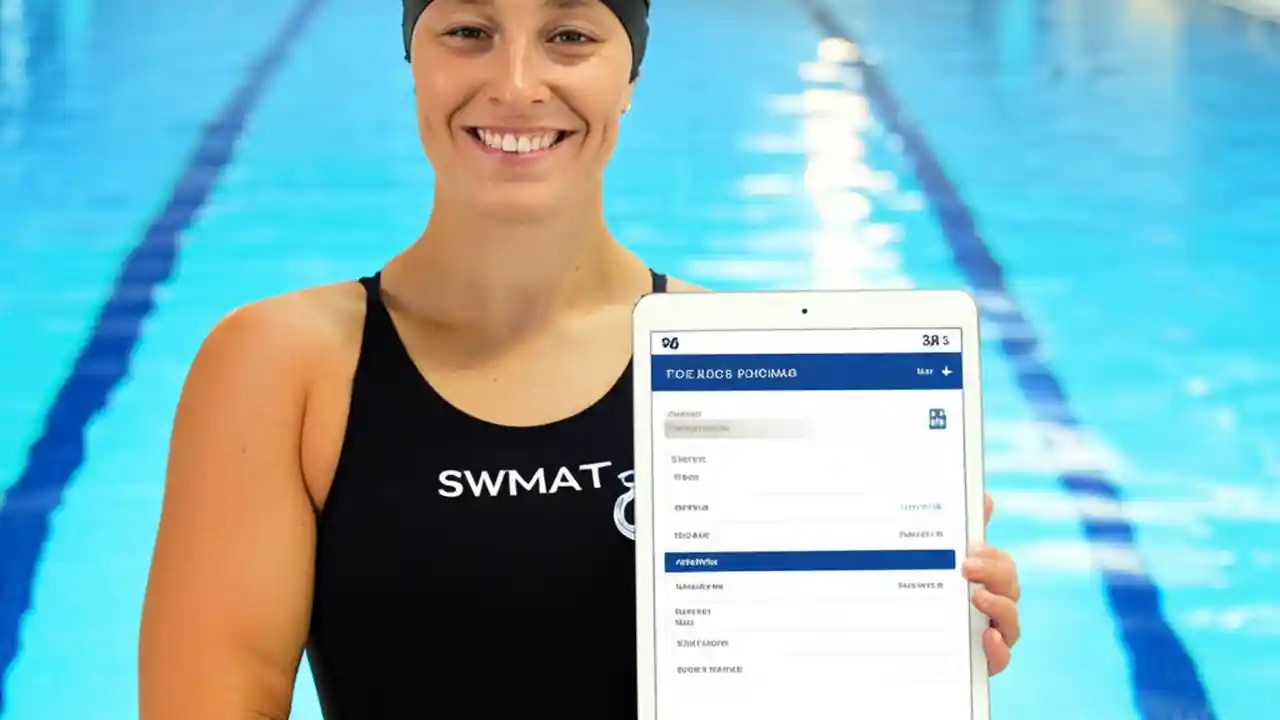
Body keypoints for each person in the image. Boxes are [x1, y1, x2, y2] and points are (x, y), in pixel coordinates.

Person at [138, 0, 1022, 717]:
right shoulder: (287, 365)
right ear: (415, 58)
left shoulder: (757, 362)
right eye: (468, 33)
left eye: (569, 36)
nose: (517, 85)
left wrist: (913, 648)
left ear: (626, 73)